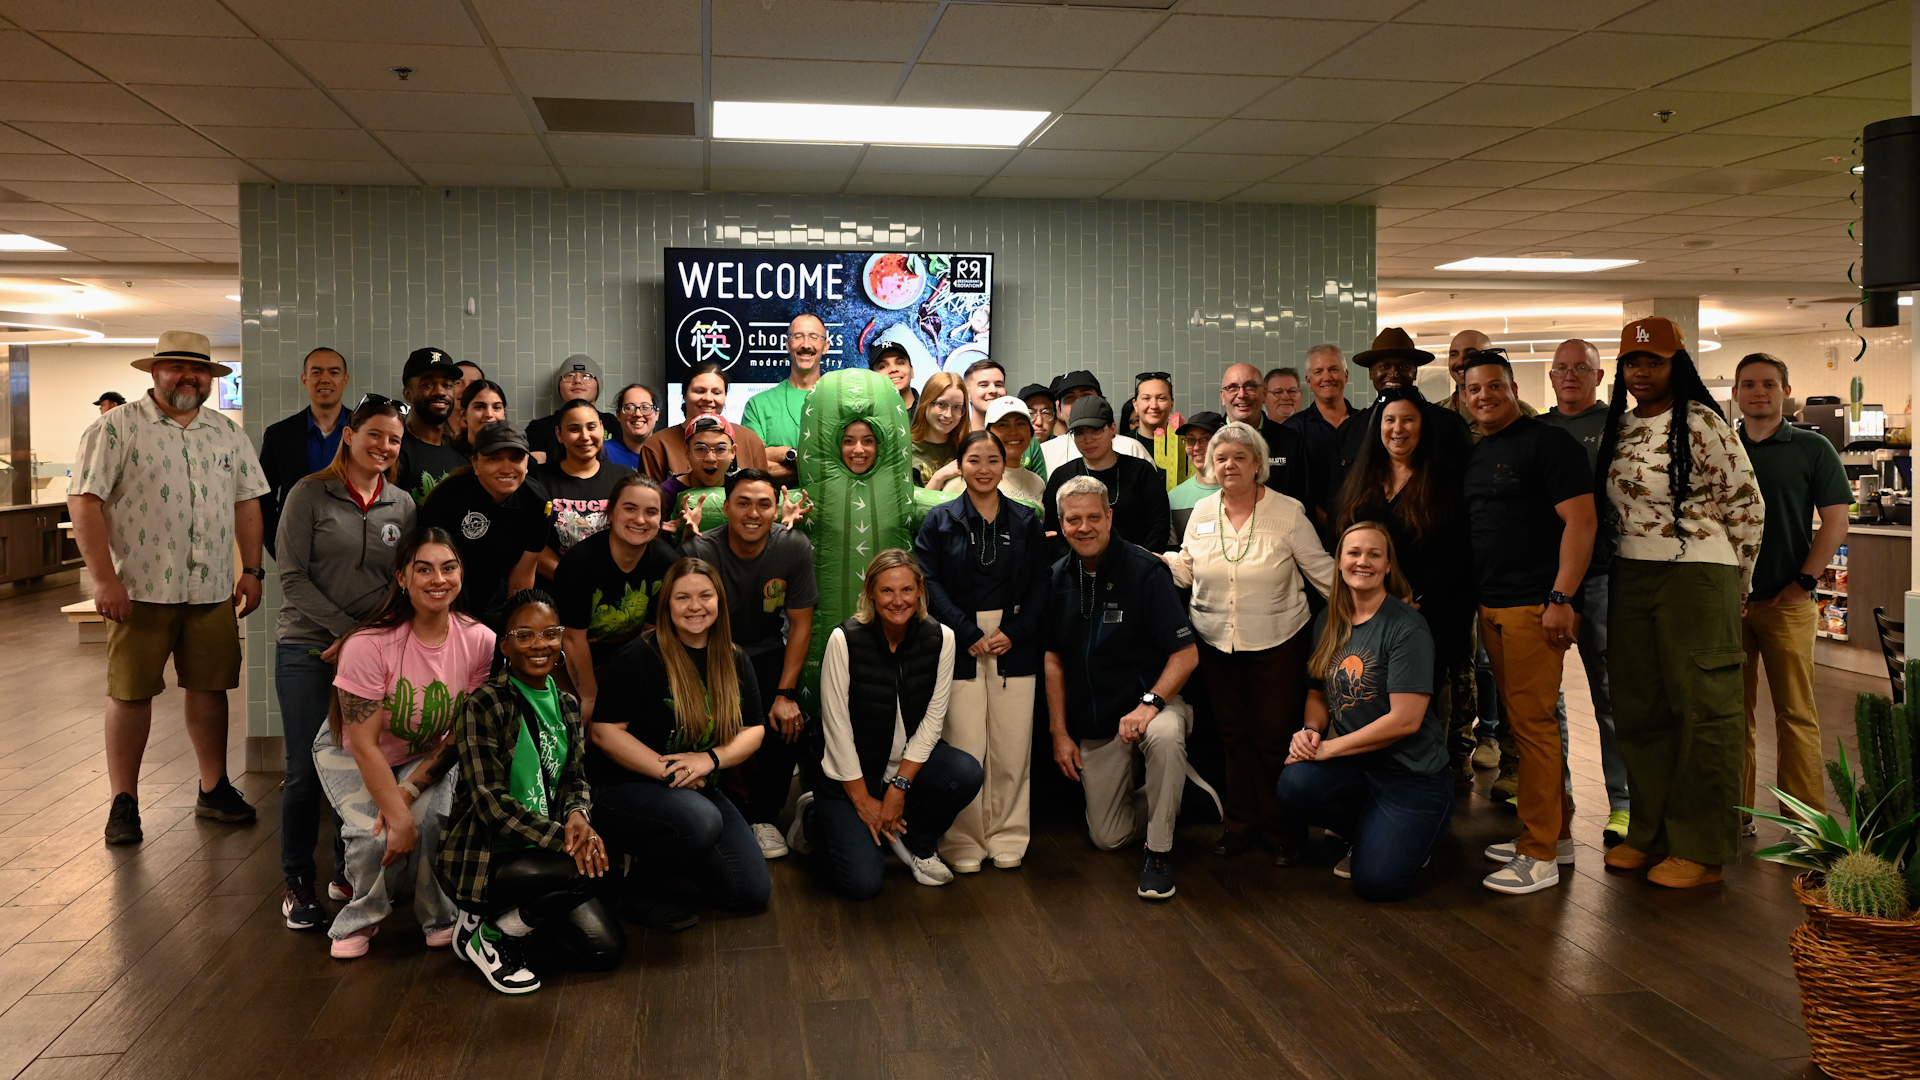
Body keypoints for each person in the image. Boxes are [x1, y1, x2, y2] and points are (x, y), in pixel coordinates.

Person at [69, 330, 266, 846]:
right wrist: (104, 579)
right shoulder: (114, 429)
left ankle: (213, 786)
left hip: (209, 590)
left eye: (198, 370)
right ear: (154, 373)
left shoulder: (226, 433)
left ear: (209, 378)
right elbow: (84, 502)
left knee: (211, 687)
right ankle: (123, 802)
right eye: (176, 367)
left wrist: (252, 568)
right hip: (139, 589)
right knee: (131, 694)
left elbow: (248, 502)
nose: (188, 377)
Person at [1598, 317, 1764, 889]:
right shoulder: (1619, 428)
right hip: (1630, 572)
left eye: (1655, 361)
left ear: (1677, 364)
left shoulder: (1701, 422)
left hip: (1699, 574)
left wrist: (1737, 582)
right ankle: (1651, 832)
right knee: (1640, 705)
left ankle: (1702, 846)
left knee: (1703, 707)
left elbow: (1746, 503)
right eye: (1632, 363)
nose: (1642, 372)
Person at [272, 397, 416, 930]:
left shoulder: (401, 504)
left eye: (394, 439)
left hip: (373, 652)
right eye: (374, 435)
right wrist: (346, 633)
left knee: (360, 761)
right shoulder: (309, 494)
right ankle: (297, 882)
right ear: (349, 436)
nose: (383, 446)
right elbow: (291, 577)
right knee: (306, 771)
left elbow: (404, 580)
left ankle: (347, 870)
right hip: (310, 648)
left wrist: (367, 638)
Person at [439, 589, 624, 994]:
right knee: (583, 867)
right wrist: (566, 840)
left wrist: (578, 817)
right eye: (524, 635)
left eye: (550, 633)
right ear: (505, 644)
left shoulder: (569, 706)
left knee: (604, 951)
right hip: (487, 859)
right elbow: (489, 804)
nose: (539, 645)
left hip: (543, 856)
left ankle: (516, 919)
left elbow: (575, 780)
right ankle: (491, 934)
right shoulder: (484, 704)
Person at [320, 528, 494, 958]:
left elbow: (459, 733)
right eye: (424, 569)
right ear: (402, 577)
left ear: (461, 573)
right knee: (374, 834)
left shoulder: (479, 640)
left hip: (427, 751)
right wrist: (396, 814)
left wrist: (410, 791)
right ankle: (361, 918)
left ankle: (439, 916)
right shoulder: (367, 644)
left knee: (432, 820)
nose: (438, 579)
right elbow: (363, 743)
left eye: (448, 568)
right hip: (353, 750)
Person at [1168, 420, 1335, 865]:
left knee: (1273, 737)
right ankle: (1240, 825)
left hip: (1278, 642)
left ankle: (1283, 830)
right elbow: (1184, 569)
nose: (1229, 465)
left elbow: (1322, 571)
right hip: (1215, 643)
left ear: (1258, 464)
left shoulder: (1287, 511)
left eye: (1240, 457)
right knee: (1232, 737)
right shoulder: (1202, 513)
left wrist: (1379, 602)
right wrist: (1145, 561)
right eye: (1221, 458)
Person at [1461, 350, 1596, 895]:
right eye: (1473, 389)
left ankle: (1538, 853)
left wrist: (1562, 596)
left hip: (1534, 607)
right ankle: (1555, 835)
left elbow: (1581, 523)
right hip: (1490, 605)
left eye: (1494, 386)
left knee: (1535, 726)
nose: (1484, 396)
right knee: (1523, 723)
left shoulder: (1548, 443)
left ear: (1514, 386)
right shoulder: (1479, 450)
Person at [1046, 476, 1216, 900]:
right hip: (1097, 716)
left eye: (1092, 517)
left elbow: (1186, 654)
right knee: (1107, 836)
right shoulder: (1055, 578)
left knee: (1164, 736)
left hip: (1152, 704)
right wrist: (1059, 732)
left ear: (1109, 517)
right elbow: (1053, 659)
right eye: (1073, 520)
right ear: (1061, 524)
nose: (1083, 527)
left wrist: (1150, 703)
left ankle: (1159, 853)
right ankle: (1181, 795)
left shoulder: (1145, 570)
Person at [589, 557, 772, 930]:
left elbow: (754, 729)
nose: (694, 607)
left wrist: (710, 759)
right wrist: (676, 771)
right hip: (624, 787)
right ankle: (630, 891)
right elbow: (604, 732)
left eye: (705, 596)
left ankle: (670, 853)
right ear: (666, 605)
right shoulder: (639, 656)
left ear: (719, 601)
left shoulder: (733, 657)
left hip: (699, 783)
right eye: (682, 598)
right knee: (700, 820)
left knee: (749, 891)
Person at [791, 550, 984, 899]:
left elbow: (932, 722)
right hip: (848, 773)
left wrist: (897, 789)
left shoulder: (942, 638)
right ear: (870, 592)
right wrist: (863, 799)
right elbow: (836, 729)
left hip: (902, 768)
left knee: (966, 772)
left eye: (907, 590)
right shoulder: (844, 639)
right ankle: (813, 817)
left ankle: (919, 845)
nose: (898, 601)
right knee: (863, 884)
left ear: (920, 589)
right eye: (887, 591)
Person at [1279, 522, 1454, 902]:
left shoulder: (1407, 627)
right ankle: (1369, 828)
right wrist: (1312, 731)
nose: (1364, 561)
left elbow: (1405, 719)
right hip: (1360, 767)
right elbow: (1317, 692)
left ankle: (1412, 835)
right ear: (1339, 561)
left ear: (1388, 565)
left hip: (1412, 775)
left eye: (1374, 554)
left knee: (1379, 884)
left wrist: (1328, 749)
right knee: (1295, 784)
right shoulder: (1328, 620)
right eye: (1354, 553)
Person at [915, 431, 1048, 871]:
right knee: (966, 744)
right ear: (959, 465)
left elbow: (1041, 584)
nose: (985, 468)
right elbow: (928, 582)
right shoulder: (940, 519)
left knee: (1012, 746)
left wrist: (1015, 630)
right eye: (974, 459)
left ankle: (1009, 834)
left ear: (1004, 465)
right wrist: (966, 629)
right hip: (958, 639)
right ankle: (964, 840)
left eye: (993, 459)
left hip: (1014, 639)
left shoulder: (1026, 520)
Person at [1333, 385, 1474, 788]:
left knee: (1419, 710)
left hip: (1426, 616)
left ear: (1423, 426)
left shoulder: (1445, 481)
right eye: (1390, 420)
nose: (1398, 429)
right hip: (1364, 617)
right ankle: (1364, 796)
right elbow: (1342, 541)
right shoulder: (1360, 479)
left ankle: (1421, 794)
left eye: (1408, 420)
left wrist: (1414, 602)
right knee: (1367, 703)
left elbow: (1457, 555)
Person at [682, 469, 820, 859]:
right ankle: (714, 811)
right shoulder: (699, 552)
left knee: (788, 724)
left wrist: (785, 694)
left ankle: (764, 817)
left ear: (776, 510)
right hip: (706, 655)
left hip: (763, 652)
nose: (753, 513)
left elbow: (800, 623)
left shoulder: (793, 546)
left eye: (764, 504)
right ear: (726, 507)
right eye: (743, 503)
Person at [1735, 352, 1849, 819]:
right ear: (1737, 393)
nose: (1759, 391)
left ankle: (1805, 824)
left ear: (1786, 390)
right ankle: (1734, 816)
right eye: (1748, 384)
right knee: (1730, 717)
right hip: (1728, 604)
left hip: (1788, 602)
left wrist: (1804, 582)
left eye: (1768, 383)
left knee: (1796, 715)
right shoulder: (1722, 448)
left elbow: (1837, 521)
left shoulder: (1811, 448)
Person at [1537, 338, 1631, 844]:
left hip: (1600, 579)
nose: (1570, 376)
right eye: (1561, 368)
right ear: (1550, 377)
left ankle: (1622, 803)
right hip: (1540, 583)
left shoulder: (1619, 429)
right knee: (1544, 698)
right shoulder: (1537, 431)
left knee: (1609, 693)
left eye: (1581, 368)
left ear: (1599, 377)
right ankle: (1559, 793)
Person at [553, 474, 679, 722]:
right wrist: (590, 697)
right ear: (611, 513)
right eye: (630, 508)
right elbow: (572, 639)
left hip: (623, 658)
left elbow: (650, 634)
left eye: (651, 512)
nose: (640, 520)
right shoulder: (579, 563)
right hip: (567, 658)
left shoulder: (666, 563)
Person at [419, 421, 544, 629]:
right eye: (494, 459)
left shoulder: (536, 501)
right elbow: (430, 571)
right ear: (476, 464)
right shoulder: (447, 498)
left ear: (527, 463)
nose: (506, 468)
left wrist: (513, 628)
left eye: (516, 458)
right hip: (448, 600)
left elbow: (523, 576)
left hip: (498, 600)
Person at [1041, 396, 1171, 553]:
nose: (1088, 439)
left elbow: (1159, 526)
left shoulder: (1141, 471)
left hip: (1138, 568)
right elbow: (1052, 533)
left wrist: (1140, 563)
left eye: (1096, 430)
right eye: (1079, 432)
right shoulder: (1062, 476)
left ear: (1113, 428)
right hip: (1078, 572)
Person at [260, 346, 349, 557]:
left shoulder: (365, 432)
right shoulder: (279, 435)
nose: (325, 379)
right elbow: (263, 497)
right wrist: (276, 545)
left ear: (344, 380)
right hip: (297, 549)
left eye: (334, 372)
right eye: (316, 372)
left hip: (353, 552)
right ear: (304, 380)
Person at [531, 399, 635, 575]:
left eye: (591, 427)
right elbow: (532, 542)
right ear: (559, 434)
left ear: (601, 429)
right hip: (556, 586)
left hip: (613, 582)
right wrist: (570, 579)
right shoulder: (538, 479)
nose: (585, 436)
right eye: (574, 429)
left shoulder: (626, 478)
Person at [639, 361, 770, 482]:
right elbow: (649, 502)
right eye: (699, 391)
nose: (708, 398)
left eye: (716, 392)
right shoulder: (657, 446)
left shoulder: (750, 441)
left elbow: (765, 495)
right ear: (684, 394)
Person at [742, 313, 827, 484]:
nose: (806, 344)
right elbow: (751, 468)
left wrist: (777, 455)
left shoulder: (842, 400)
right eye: (798, 337)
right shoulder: (758, 405)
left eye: (814, 337)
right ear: (787, 344)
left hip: (831, 508)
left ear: (825, 346)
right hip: (774, 509)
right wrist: (790, 455)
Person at [1282, 344, 1357, 524]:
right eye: (1318, 371)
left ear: (1346, 375)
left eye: (1333, 369)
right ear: (1308, 381)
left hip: (1363, 528)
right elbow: (1292, 487)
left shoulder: (1366, 423)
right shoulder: (1293, 430)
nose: (1327, 377)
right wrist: (1328, 522)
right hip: (1312, 531)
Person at [1219, 362, 1311, 504]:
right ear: (1223, 397)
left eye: (1250, 386)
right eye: (1232, 388)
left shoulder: (1291, 441)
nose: (1242, 394)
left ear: (1263, 395)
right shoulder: (1208, 441)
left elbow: (1305, 501)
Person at [936, 397, 1045, 503]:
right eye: (1003, 425)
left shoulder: (1037, 483)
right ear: (988, 434)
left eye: (1020, 424)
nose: (1014, 432)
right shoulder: (970, 478)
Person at [1040, 370, 1152, 474]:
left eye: (1087, 396)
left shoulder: (1131, 448)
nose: (1080, 402)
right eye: (1070, 397)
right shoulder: (1045, 452)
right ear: (1059, 409)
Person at [395, 346, 468, 504]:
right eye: (427, 384)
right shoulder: (394, 452)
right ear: (408, 394)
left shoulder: (460, 458)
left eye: (447, 385)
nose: (440, 392)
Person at [526, 354, 618, 465]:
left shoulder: (612, 424)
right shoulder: (538, 428)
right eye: (570, 375)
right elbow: (537, 476)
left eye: (587, 376)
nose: (577, 381)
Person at [1443, 330, 1538, 437]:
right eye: (1454, 354)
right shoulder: (1435, 414)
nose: (1460, 362)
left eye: (1470, 354)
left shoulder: (1524, 413)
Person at [1123, 371, 1190, 492]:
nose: (1153, 405)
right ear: (1135, 405)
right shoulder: (1123, 444)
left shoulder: (1186, 443)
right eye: (1146, 398)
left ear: (1171, 404)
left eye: (1161, 398)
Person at [662, 415, 738, 508]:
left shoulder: (741, 490)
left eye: (720, 449)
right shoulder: (667, 493)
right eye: (701, 449)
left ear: (733, 452)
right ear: (687, 451)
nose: (710, 458)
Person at [1168, 411, 1224, 539]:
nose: (1196, 447)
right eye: (1191, 440)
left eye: (1205, 439)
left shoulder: (1238, 490)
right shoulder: (1175, 497)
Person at [911, 371, 969, 488]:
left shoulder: (966, 448)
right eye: (941, 404)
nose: (948, 414)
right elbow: (912, 504)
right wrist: (940, 476)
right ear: (926, 404)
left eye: (957, 407)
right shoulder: (905, 450)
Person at [448, 379, 511, 458]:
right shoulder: (449, 455)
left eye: (497, 407)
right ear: (463, 413)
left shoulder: (517, 453)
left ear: (504, 414)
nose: (489, 414)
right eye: (479, 407)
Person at [604, 383, 659, 471]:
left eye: (645, 407)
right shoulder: (604, 452)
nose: (637, 414)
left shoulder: (667, 453)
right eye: (629, 407)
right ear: (618, 414)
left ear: (656, 414)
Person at [871, 342, 918, 413]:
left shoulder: (933, 413)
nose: (893, 369)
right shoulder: (866, 420)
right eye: (883, 366)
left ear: (912, 371)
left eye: (900, 363)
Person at [445, 359, 485, 443]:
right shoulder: (431, 431)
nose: (466, 389)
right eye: (458, 383)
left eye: (473, 384)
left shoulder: (491, 434)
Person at [962, 358, 1007, 431]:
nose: (993, 390)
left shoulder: (1017, 438)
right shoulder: (957, 440)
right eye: (983, 385)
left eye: (998, 385)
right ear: (967, 394)